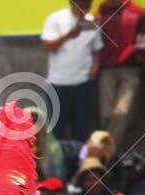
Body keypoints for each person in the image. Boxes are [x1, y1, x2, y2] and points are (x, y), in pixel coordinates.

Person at [40, 0, 102, 144]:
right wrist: (68, 36)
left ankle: (78, 161)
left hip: (83, 83)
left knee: (82, 129)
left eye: (87, 6)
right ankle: (59, 163)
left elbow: (96, 49)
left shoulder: (91, 22)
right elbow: (46, 47)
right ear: (72, 4)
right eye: (81, 5)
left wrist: (95, 67)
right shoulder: (56, 19)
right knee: (58, 130)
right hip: (59, 83)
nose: (84, 10)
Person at [94, 0, 142, 145]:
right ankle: (108, 150)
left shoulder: (136, 13)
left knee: (121, 112)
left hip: (130, 67)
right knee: (106, 114)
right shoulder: (100, 13)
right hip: (107, 68)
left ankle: (106, 152)